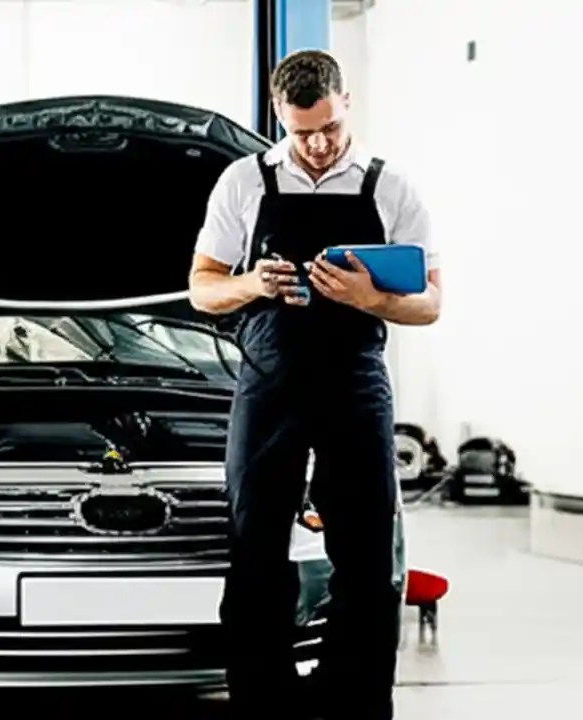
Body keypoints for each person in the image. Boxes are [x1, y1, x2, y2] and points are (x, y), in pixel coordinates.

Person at [188, 50, 442, 719]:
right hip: (269, 379)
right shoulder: (243, 181)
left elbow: (432, 303)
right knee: (256, 547)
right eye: (303, 132)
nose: (319, 143)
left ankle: (353, 701)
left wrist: (369, 297)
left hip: (356, 381)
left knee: (364, 552)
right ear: (280, 117)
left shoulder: (392, 188)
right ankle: (264, 701)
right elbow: (201, 288)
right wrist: (252, 283)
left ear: (345, 103)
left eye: (328, 126)